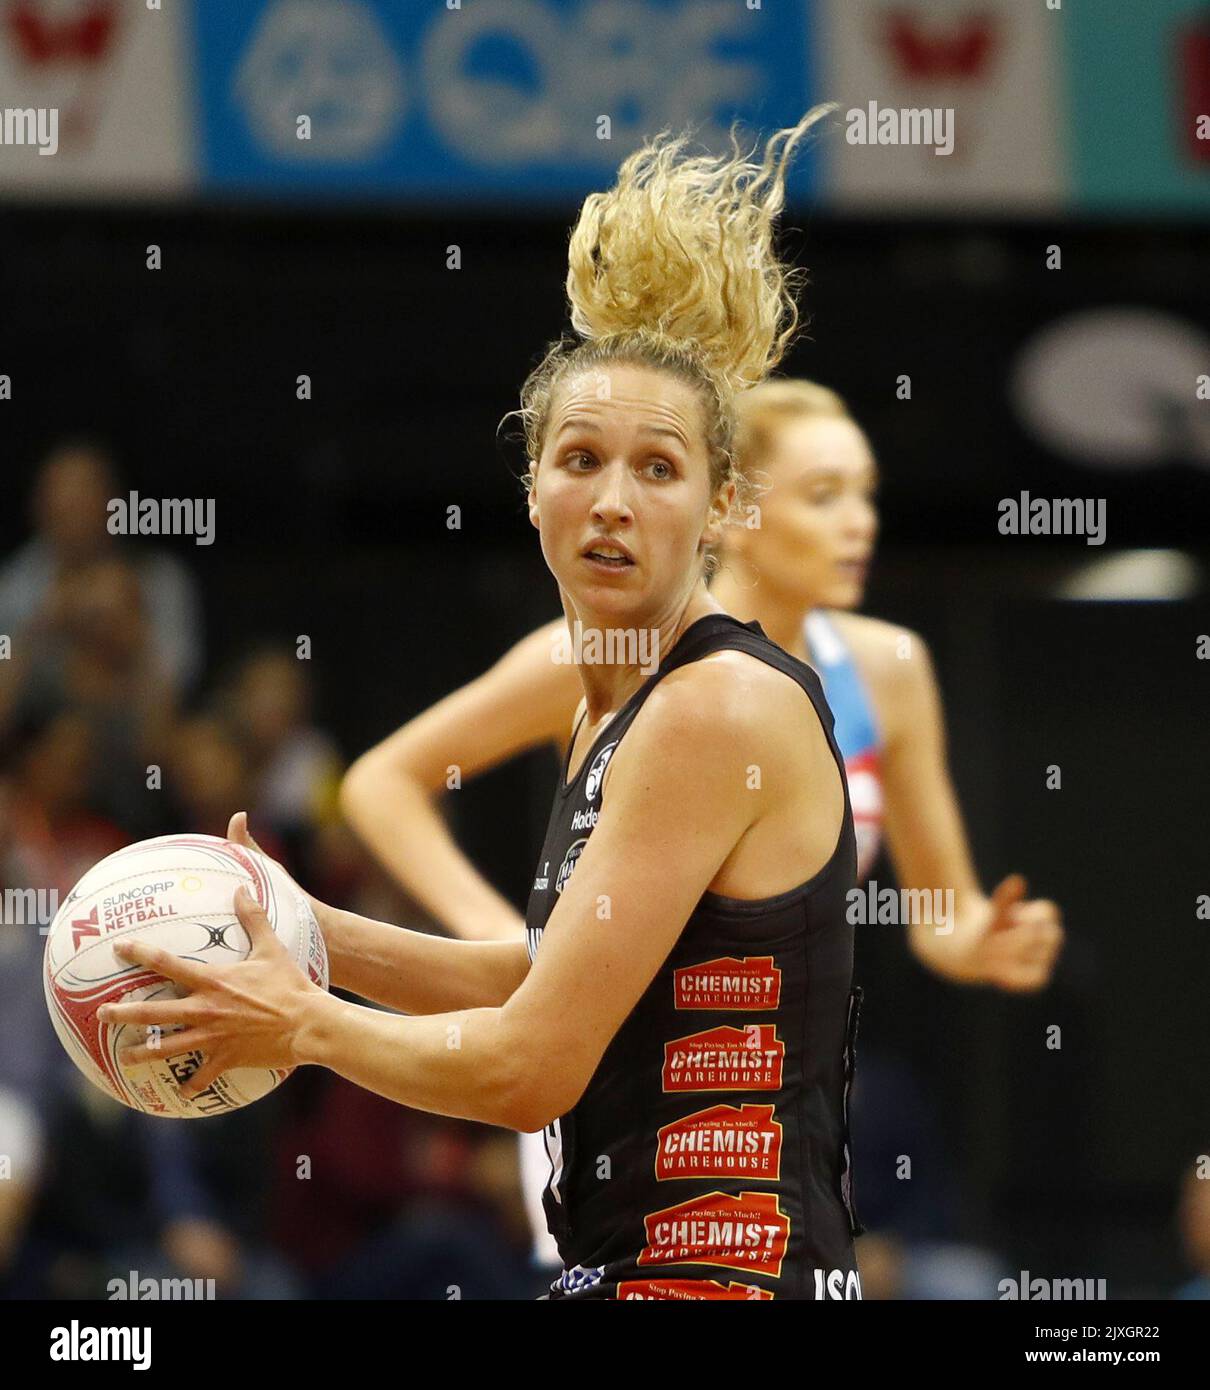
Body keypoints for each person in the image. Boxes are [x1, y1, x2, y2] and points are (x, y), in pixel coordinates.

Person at [99, 106, 874, 1299]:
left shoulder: (716, 708)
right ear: (530, 492)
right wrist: (305, 923)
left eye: (659, 469)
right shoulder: (610, 704)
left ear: (724, 509)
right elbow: (539, 984)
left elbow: (527, 1068)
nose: (612, 499)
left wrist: (301, 1016)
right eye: (579, 460)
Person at [336, 392, 1064, 1276]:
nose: (859, 524)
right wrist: (502, 936)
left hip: (749, 1101)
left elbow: (939, 911)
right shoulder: (612, 649)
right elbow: (382, 780)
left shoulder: (885, 669)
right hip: (597, 1079)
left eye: (866, 494)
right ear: (740, 510)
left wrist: (978, 938)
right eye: (825, 494)